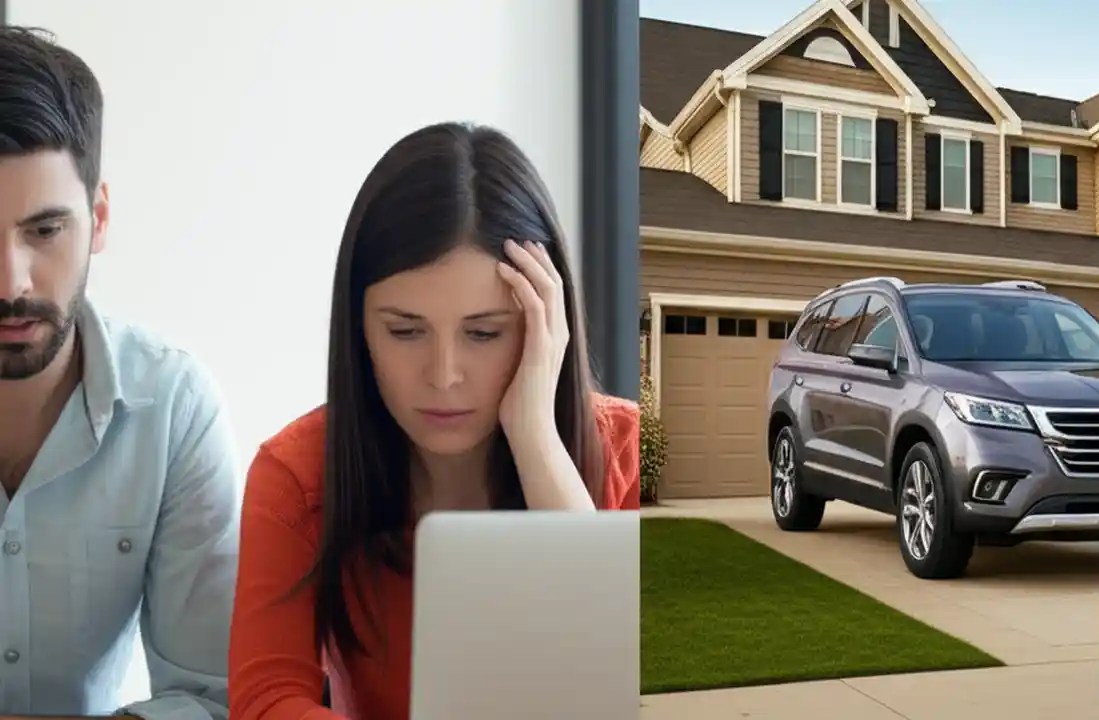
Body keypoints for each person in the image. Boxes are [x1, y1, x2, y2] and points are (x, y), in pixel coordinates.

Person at [227, 122, 640, 719]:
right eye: (405, 331)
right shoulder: (296, 474)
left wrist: (537, 441)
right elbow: (266, 700)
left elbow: (615, 687)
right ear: (359, 328)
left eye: (483, 333)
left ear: (543, 323)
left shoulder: (624, 447)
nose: (444, 375)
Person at [0, 27, 237, 720]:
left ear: (98, 218)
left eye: (44, 231)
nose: (12, 281)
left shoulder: (173, 409)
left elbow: (212, 697)